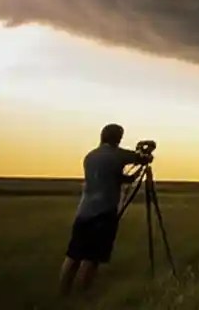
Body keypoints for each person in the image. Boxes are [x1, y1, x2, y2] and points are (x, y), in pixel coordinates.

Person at [59, 123, 148, 296]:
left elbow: (113, 178)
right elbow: (141, 158)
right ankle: (83, 296)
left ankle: (63, 294)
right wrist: (145, 154)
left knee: (73, 256)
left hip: (83, 211)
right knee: (92, 257)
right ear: (117, 138)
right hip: (103, 212)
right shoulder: (117, 154)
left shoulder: (90, 156)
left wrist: (132, 177)